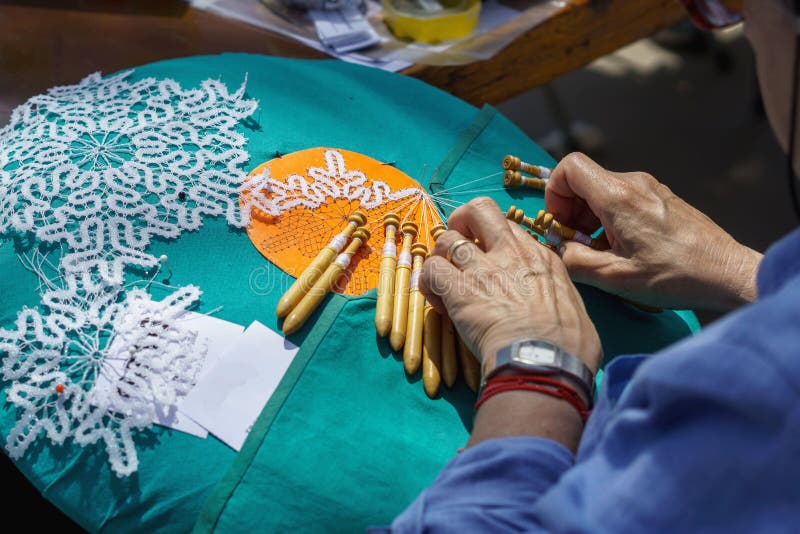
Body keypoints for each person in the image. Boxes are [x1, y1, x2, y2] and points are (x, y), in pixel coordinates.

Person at [387, 0, 800, 531]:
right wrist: (741, 272)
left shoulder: (757, 397)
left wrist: (539, 369)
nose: (741, 29)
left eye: (733, 6)